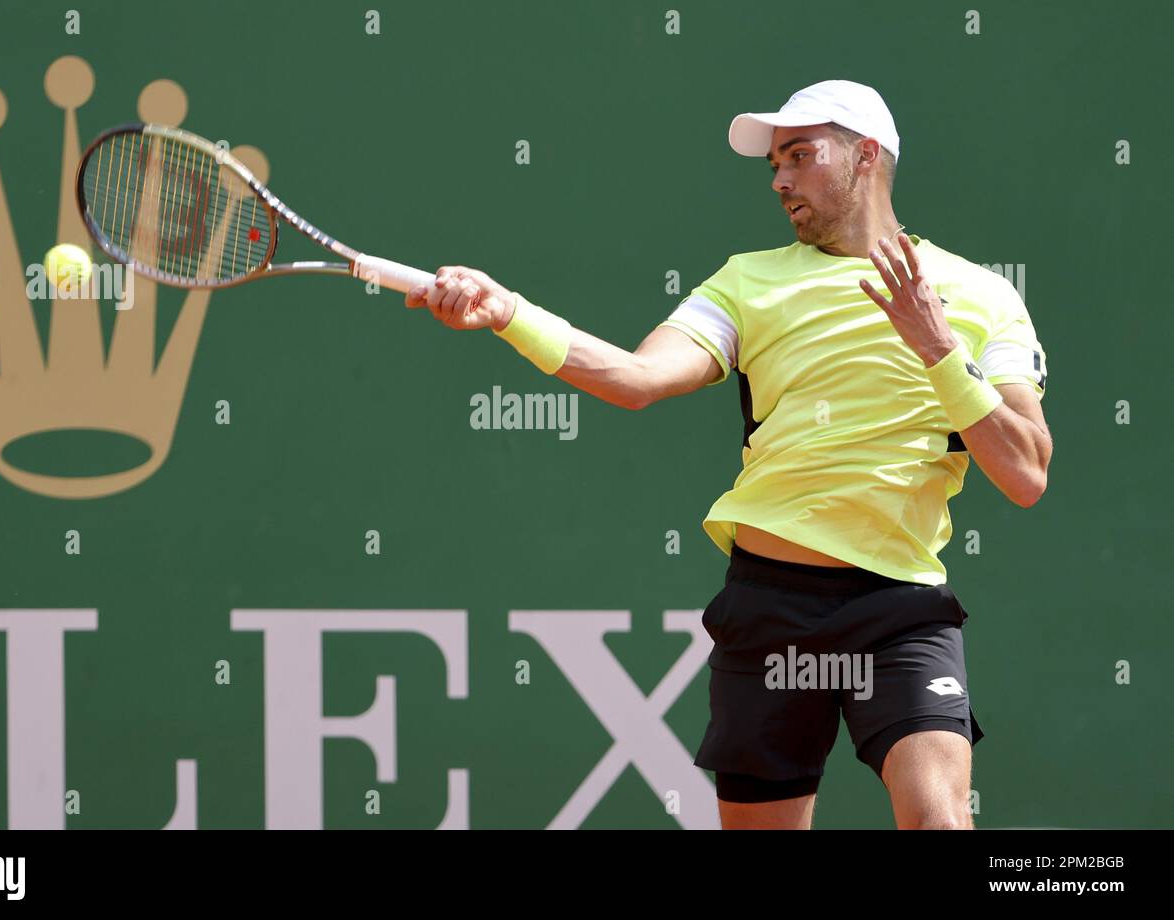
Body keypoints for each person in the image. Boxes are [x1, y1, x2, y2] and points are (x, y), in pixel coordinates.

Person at [403, 79, 1051, 829]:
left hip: (900, 611)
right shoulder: (747, 282)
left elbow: (1026, 473)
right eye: (774, 163)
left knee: (939, 823)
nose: (780, 179)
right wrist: (509, 313)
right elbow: (636, 379)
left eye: (801, 155)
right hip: (770, 606)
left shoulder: (980, 296)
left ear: (866, 156)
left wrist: (938, 346)